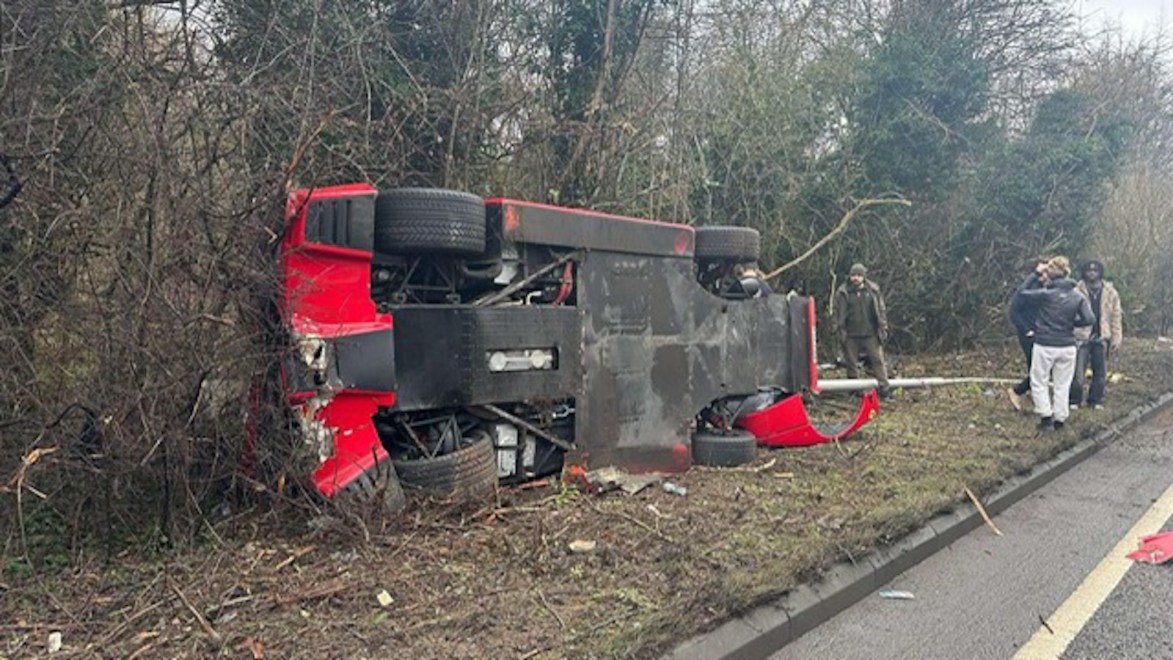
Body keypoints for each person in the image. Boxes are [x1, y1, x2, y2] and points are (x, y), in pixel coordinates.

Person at [1014, 256, 1095, 431]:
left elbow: (1021, 294)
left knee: (1039, 381)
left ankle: (1046, 416)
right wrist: (1072, 324)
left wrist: (1035, 274)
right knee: (1062, 384)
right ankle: (1060, 418)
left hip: (1045, 342)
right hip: (1067, 344)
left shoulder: (1046, 294)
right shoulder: (1078, 297)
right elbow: (1089, 319)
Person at [1070, 260, 1123, 410]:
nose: (1092, 273)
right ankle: (1075, 399)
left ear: (1100, 273)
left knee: (1100, 372)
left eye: (1095, 270)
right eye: (1089, 270)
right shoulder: (1076, 291)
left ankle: (1095, 400)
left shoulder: (1111, 293)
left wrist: (1116, 339)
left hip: (1102, 337)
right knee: (1077, 373)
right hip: (1081, 337)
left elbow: (1116, 317)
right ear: (1084, 272)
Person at [834, 263, 892, 399]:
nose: (856, 278)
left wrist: (883, 327)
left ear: (864, 277)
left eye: (859, 275)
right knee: (851, 364)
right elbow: (836, 312)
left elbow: (881, 310)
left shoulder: (873, 291)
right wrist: (838, 329)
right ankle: (855, 391)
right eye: (853, 275)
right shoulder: (843, 292)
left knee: (878, 361)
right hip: (850, 335)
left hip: (871, 334)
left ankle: (885, 390)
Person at [1006, 259, 1050, 412]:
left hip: (1045, 332)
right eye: (1043, 272)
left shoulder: (1050, 288)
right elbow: (1014, 312)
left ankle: (1032, 392)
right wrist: (1026, 330)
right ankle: (1017, 391)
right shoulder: (1029, 289)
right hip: (1029, 333)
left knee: (1038, 368)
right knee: (1038, 369)